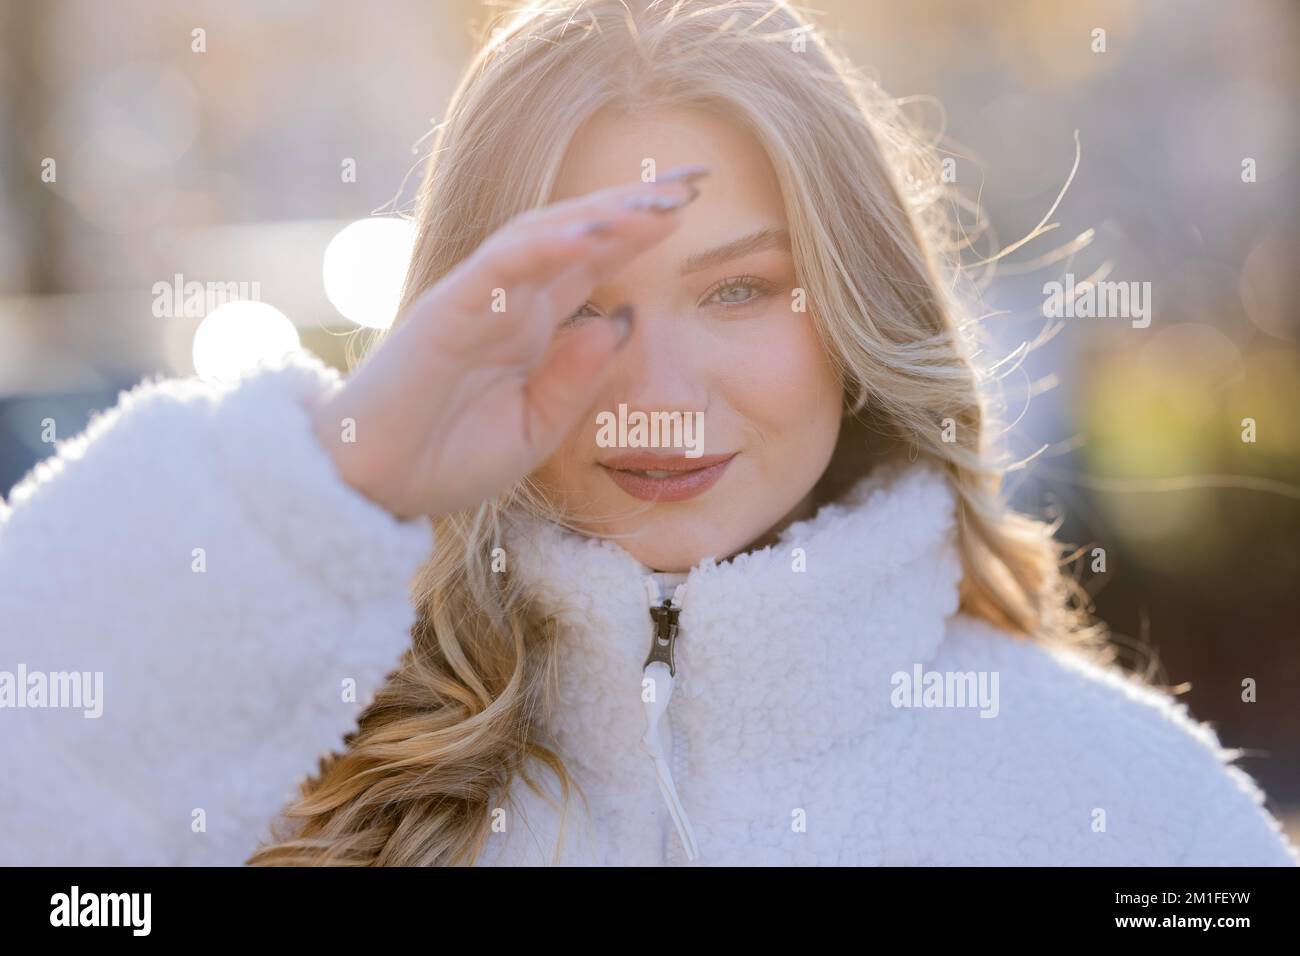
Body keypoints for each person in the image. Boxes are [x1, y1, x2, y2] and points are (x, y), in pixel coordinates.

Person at [1, 0, 1295, 867]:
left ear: (854, 314)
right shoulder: (279, 763)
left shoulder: (1124, 806)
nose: (658, 385)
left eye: (739, 289)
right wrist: (340, 478)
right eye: (583, 302)